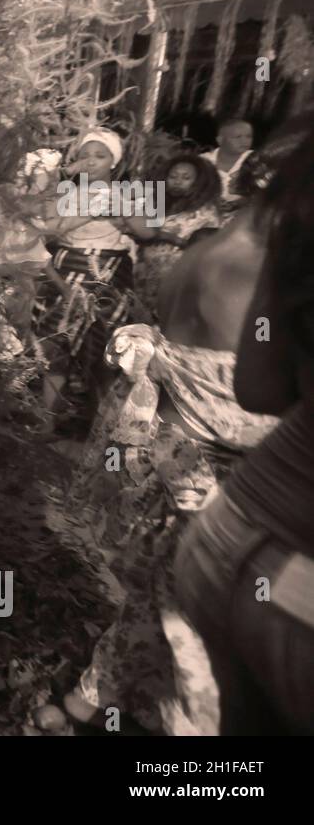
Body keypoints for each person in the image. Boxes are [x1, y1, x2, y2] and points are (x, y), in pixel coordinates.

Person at [63, 141, 284, 732]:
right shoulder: (248, 271)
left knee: (162, 595)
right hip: (204, 477)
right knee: (199, 622)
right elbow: (254, 406)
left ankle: (88, 698)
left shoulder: (213, 250)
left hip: (174, 456)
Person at [175, 118, 314, 735]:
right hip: (278, 559)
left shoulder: (230, 249)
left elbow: (260, 386)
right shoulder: (237, 261)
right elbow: (248, 397)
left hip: (239, 531)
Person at [33, 127, 153, 425]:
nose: (91, 161)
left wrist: (123, 210)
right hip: (65, 270)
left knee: (107, 348)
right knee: (56, 342)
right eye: (84, 155)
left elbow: (148, 232)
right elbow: (45, 230)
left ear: (115, 161)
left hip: (110, 274)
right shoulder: (64, 192)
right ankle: (48, 418)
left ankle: (99, 423)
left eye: (100, 155)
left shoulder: (131, 192)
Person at [133, 154, 221, 319]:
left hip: (178, 281)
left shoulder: (206, 212)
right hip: (145, 277)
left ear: (199, 182)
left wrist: (164, 236)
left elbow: (204, 248)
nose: (177, 181)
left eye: (186, 178)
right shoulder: (156, 202)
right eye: (172, 176)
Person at [200, 118, 253, 211]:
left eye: (249, 136)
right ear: (220, 140)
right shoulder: (202, 161)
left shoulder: (257, 160)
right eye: (237, 137)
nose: (244, 141)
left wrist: (240, 202)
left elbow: (267, 196)